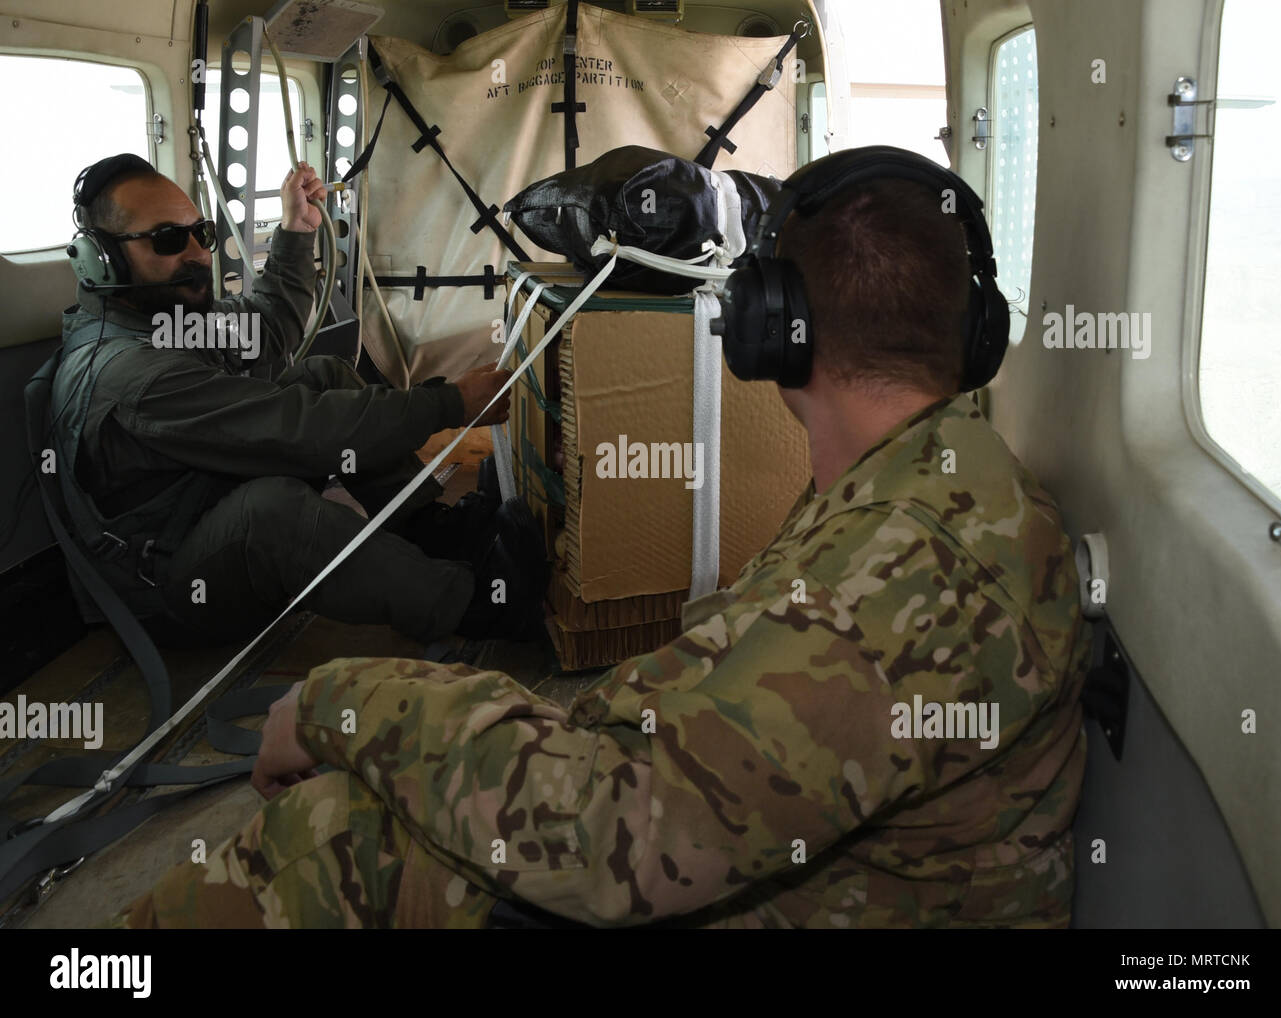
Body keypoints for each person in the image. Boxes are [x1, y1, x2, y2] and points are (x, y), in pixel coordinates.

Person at [114, 152, 1091, 929]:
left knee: (333, 844)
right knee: (384, 805)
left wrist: (338, 702)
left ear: (769, 330)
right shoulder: (934, 474)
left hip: (781, 884)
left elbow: (621, 843)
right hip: (821, 867)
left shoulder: (898, 571)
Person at [45, 153, 544, 648]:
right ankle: (477, 603)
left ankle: (431, 532)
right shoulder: (134, 376)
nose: (198, 253)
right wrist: (450, 405)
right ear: (102, 260)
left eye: (202, 232)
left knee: (321, 376)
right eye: (169, 240)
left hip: (198, 511)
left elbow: (264, 330)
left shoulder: (162, 320)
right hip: (169, 593)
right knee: (271, 511)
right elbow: (301, 427)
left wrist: (296, 231)